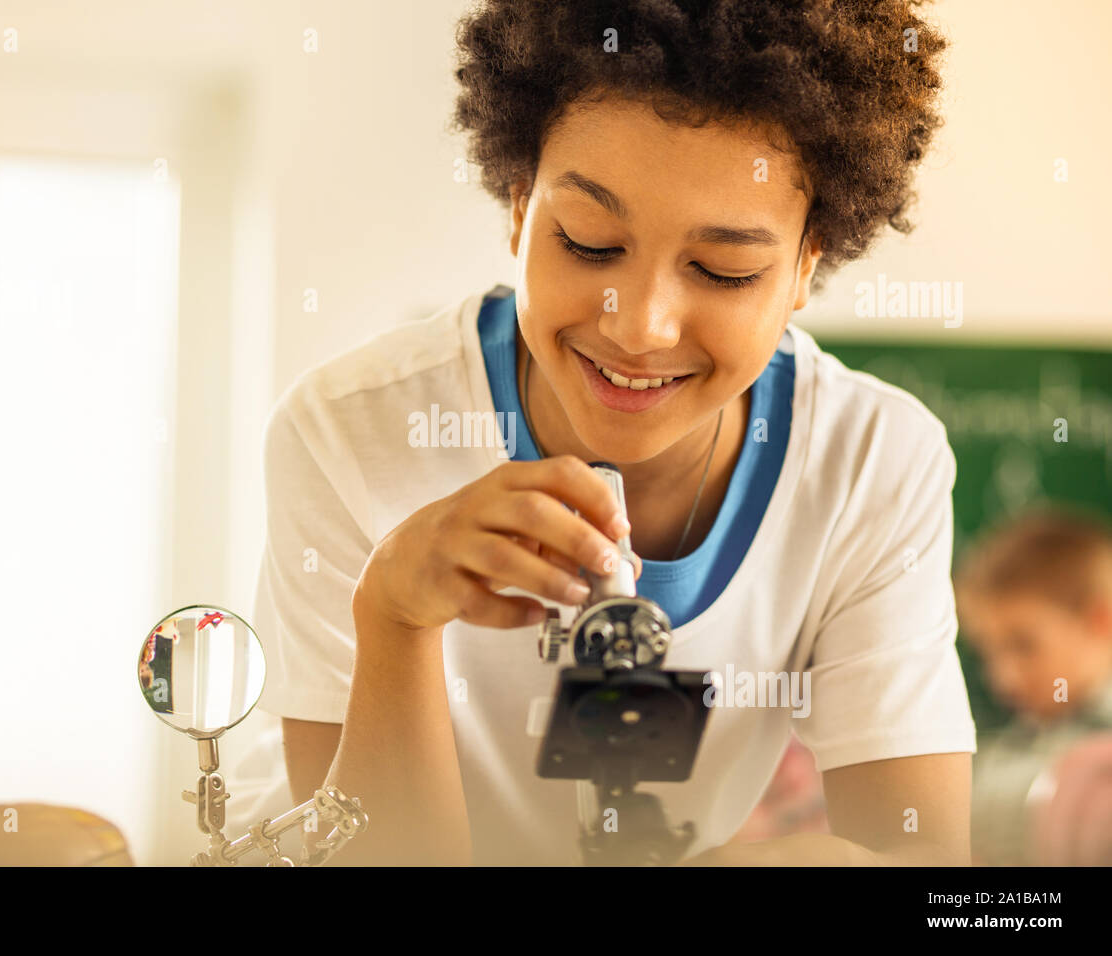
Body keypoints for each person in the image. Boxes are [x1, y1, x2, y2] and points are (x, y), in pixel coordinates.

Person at [254, 0, 976, 866]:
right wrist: (396, 614)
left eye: (724, 270)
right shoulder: (350, 431)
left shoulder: (872, 463)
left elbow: (929, 871)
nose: (640, 327)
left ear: (803, 268)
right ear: (519, 212)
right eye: (591, 244)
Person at [953, 506, 1112, 865]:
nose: (1003, 676)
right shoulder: (1007, 745)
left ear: (1099, 621)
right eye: (988, 653)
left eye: (1023, 645)